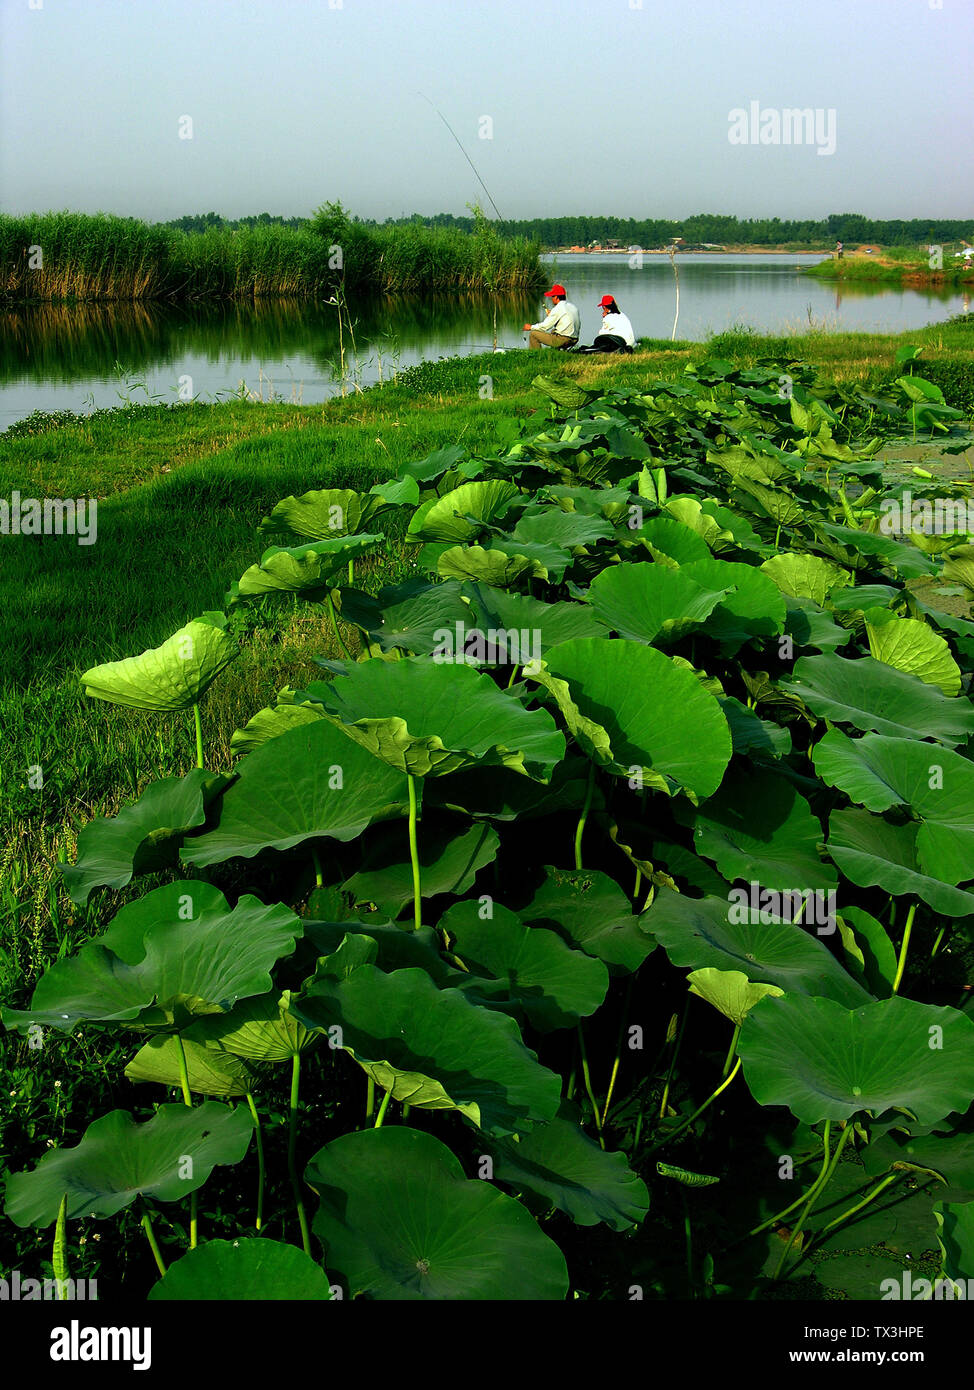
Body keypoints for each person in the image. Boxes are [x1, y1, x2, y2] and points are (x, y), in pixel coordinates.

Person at [524, 284, 580, 349]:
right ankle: (556, 353)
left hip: (563, 340)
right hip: (574, 339)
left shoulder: (558, 308)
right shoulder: (573, 307)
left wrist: (530, 327)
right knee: (554, 332)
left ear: (556, 297)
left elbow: (545, 327)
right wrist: (551, 315)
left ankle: (536, 356)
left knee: (533, 334)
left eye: (552, 297)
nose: (551, 299)